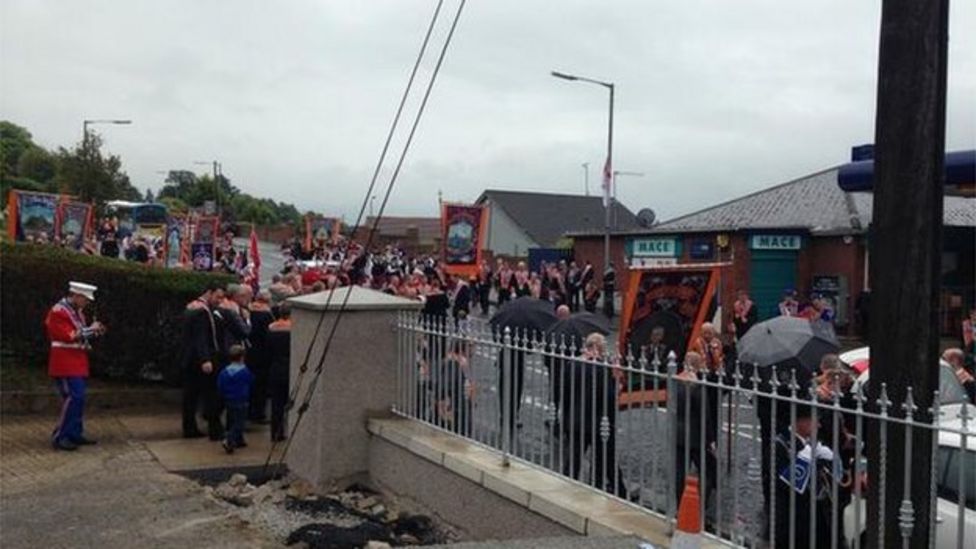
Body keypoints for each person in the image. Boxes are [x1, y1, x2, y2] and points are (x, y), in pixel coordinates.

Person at [559, 333, 628, 497]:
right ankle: (611, 490)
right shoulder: (604, 368)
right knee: (604, 459)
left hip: (576, 420)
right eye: (603, 348)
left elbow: (565, 393)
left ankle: (566, 486)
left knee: (574, 458)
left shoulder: (572, 364)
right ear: (599, 348)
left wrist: (566, 418)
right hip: (599, 422)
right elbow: (610, 396)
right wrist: (617, 385)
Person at [46, 282, 107, 451]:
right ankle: (61, 436)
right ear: (76, 296)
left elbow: (80, 334)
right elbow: (70, 335)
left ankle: (74, 433)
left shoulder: (76, 312)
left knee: (78, 398)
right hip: (64, 361)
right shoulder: (58, 311)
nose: (86, 303)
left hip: (75, 360)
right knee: (73, 397)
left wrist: (93, 331)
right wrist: (91, 330)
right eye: (85, 299)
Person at [181, 282, 225, 439]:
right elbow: (201, 337)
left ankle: (189, 428)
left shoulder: (192, 307)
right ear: (209, 293)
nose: (219, 301)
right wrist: (205, 359)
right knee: (211, 394)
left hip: (190, 359)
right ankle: (215, 430)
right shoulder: (202, 312)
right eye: (218, 297)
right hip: (201, 360)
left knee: (190, 396)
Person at [674, 351, 718, 508]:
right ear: (697, 366)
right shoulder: (696, 385)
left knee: (680, 471)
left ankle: (680, 504)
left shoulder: (676, 381)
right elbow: (704, 415)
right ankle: (701, 504)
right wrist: (710, 439)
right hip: (695, 436)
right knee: (707, 471)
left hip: (678, 433)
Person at [217, 344, 254, 454]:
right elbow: (251, 382)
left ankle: (238, 440)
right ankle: (229, 439)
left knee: (232, 420)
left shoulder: (224, 372)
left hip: (228, 400)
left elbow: (220, 385)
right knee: (239, 423)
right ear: (242, 357)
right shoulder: (245, 371)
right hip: (241, 400)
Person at [247, 290, 276, 423]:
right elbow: (269, 335)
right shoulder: (266, 315)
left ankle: (249, 411)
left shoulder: (249, 311)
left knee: (251, 383)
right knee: (261, 384)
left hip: (250, 351)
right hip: (263, 354)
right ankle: (258, 413)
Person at [268, 302, 292, 442]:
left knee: (276, 403)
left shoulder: (271, 328)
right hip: (290, 367)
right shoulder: (294, 330)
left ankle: (276, 432)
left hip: (275, 368)